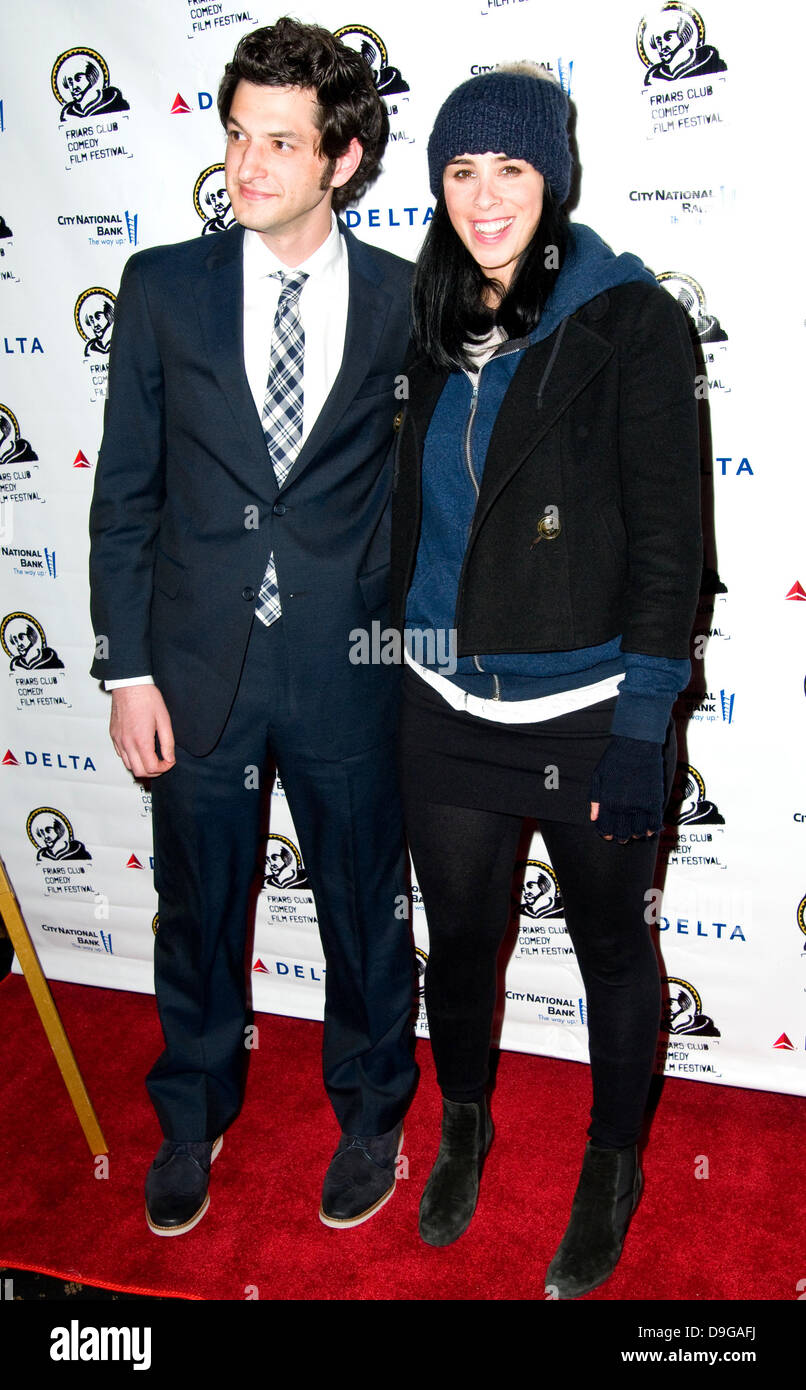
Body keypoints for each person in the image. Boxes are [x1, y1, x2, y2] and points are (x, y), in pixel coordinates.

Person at [89, 18, 417, 1238]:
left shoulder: (403, 299)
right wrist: (127, 669)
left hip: (348, 666)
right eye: (236, 135)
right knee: (198, 907)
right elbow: (123, 492)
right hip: (193, 665)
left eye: (280, 142)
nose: (247, 165)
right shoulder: (161, 286)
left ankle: (374, 1106)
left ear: (341, 157)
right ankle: (190, 1115)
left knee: (361, 900)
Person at [390, 64, 702, 1297]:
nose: (482, 195)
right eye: (460, 170)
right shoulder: (421, 320)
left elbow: (670, 544)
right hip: (441, 702)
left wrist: (640, 726)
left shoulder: (629, 319)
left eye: (508, 167)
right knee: (459, 944)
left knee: (609, 949)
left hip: (582, 709)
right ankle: (463, 1122)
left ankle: (612, 1164)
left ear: (551, 177)